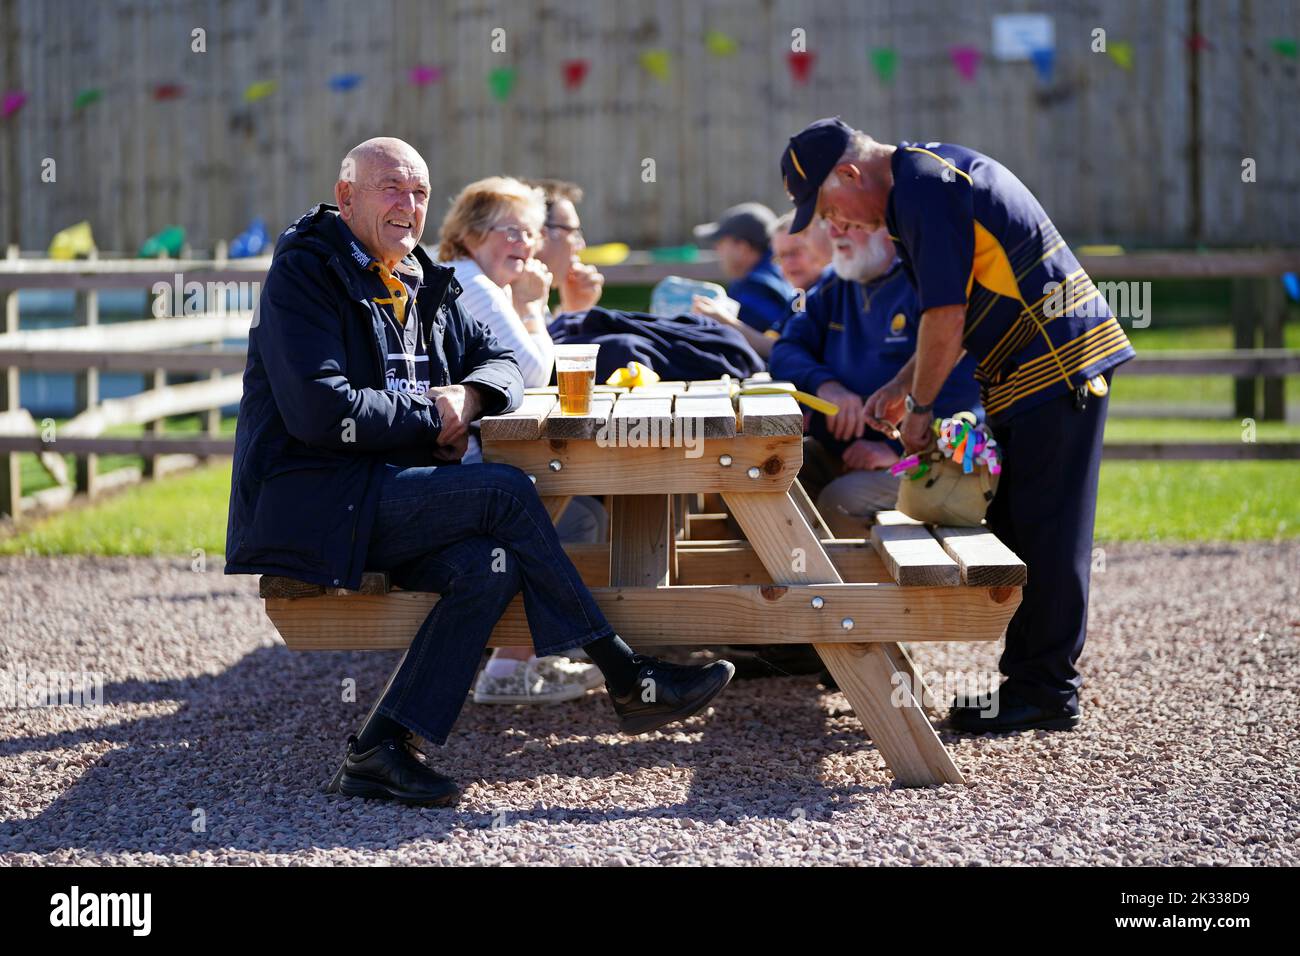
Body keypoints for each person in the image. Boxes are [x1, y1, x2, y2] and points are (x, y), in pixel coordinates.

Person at [225, 137, 734, 806]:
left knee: (488, 563)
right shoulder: (306, 274)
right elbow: (322, 412)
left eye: (419, 193)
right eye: (391, 190)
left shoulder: (419, 276)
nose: (408, 206)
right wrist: (426, 418)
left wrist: (466, 398)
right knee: (506, 491)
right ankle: (625, 674)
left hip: (389, 495)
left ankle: (378, 749)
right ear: (346, 196)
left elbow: (499, 362)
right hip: (319, 507)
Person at [780, 117, 1135, 733]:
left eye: (829, 206)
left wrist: (919, 412)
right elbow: (951, 314)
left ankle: (1046, 691)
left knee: (1049, 532)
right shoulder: (919, 183)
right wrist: (900, 389)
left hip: (1057, 367)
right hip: (1031, 370)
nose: (834, 224)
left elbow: (945, 314)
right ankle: (1031, 684)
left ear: (850, 172)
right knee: (1023, 523)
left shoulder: (924, 188)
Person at [434, 175, 609, 705]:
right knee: (577, 514)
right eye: (511, 231)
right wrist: (534, 305)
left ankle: (544, 651)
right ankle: (511, 667)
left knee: (577, 507)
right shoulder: (475, 285)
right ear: (470, 232)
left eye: (530, 233)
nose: (525, 245)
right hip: (453, 473)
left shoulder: (468, 278)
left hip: (456, 463)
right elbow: (534, 373)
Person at [771, 220, 981, 537]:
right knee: (765, 474)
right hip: (840, 452)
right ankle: (784, 583)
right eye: (831, 223)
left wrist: (895, 452)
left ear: (887, 228)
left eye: (849, 223)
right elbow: (785, 349)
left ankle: (851, 587)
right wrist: (826, 384)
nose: (836, 232)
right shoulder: (833, 283)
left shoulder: (926, 287)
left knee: (841, 500)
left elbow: (965, 400)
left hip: (928, 460)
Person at [691, 202, 794, 358]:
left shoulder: (755, 288)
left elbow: (739, 348)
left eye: (720, 243)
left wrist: (720, 321)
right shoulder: (779, 276)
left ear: (742, 247)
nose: (716, 250)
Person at [522, 177, 605, 315]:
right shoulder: (507, 297)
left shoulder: (532, 294)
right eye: (573, 232)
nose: (581, 246)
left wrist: (575, 309)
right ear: (541, 232)